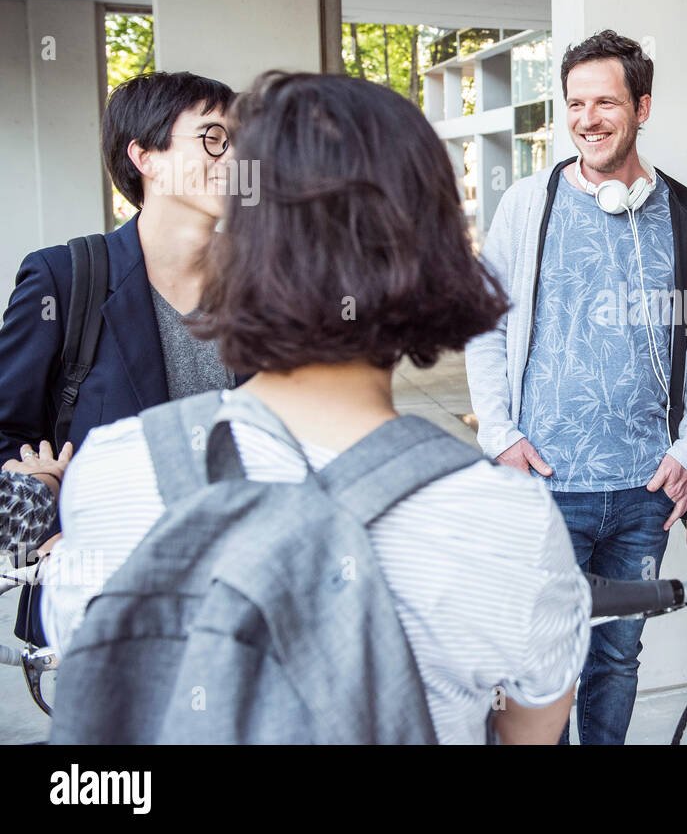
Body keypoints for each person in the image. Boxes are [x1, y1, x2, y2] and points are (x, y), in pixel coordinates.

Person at [38, 71, 590, 744]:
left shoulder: (110, 476)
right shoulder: (509, 522)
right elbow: (528, 730)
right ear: (434, 252)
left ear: (238, 242)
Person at [464, 29, 687, 745]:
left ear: (642, 105)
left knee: (617, 654)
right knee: (538, 661)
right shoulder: (528, 204)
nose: (587, 118)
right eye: (575, 103)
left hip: (646, 490)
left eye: (606, 101)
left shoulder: (686, 218)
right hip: (547, 482)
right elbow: (482, 322)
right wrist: (500, 434)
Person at [0, 70, 238, 643]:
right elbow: (6, 432)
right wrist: (48, 528)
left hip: (237, 599)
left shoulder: (259, 292)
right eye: (212, 137)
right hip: (108, 609)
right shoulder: (65, 277)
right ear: (145, 156)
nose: (234, 156)